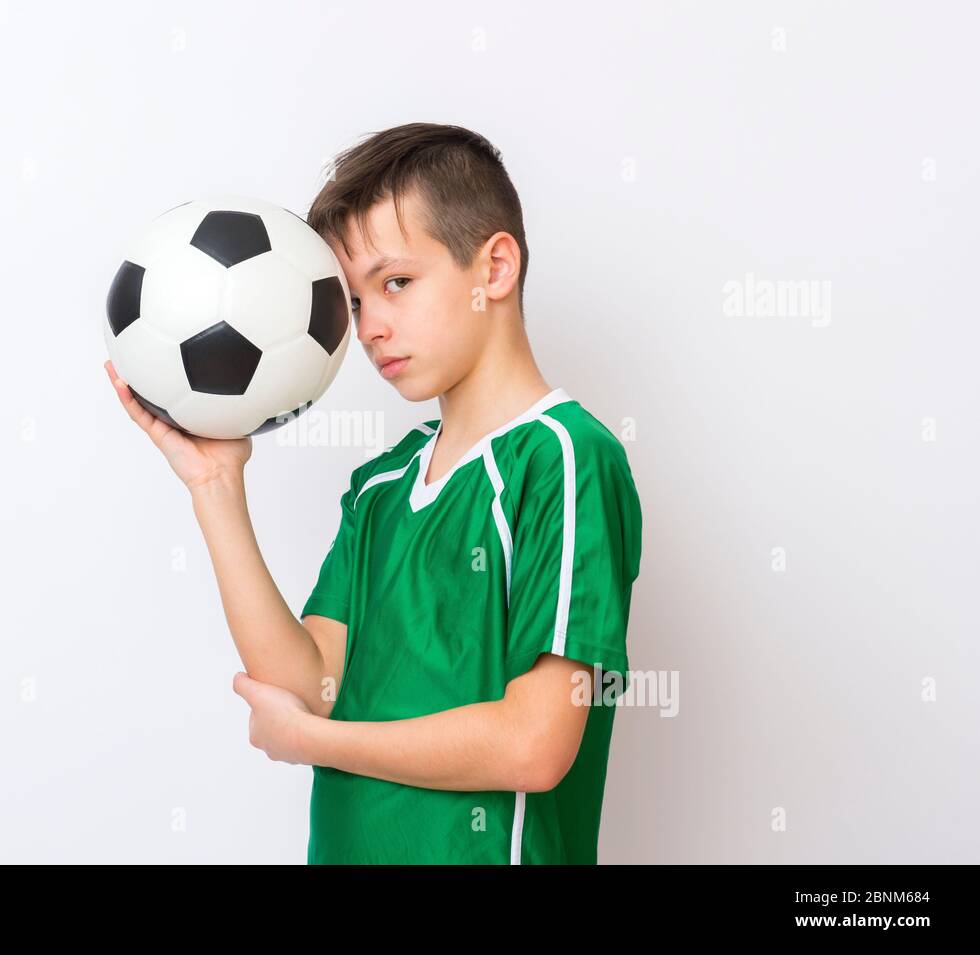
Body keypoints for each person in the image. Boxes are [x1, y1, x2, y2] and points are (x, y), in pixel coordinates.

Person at [105, 122, 642, 864]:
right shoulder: (383, 485)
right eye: (355, 302)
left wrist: (315, 743)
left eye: (396, 283)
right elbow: (312, 683)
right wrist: (215, 485)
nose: (371, 328)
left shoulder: (563, 457)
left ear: (494, 267)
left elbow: (535, 744)